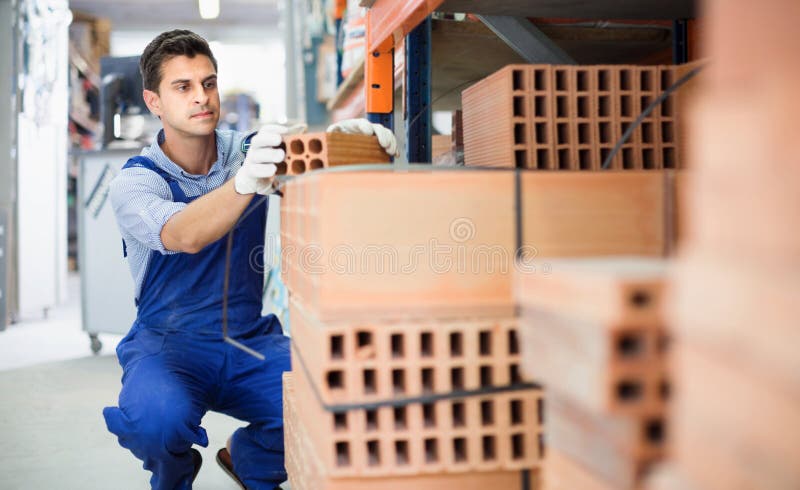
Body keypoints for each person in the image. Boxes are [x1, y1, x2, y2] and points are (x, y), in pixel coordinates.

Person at [102, 29, 398, 490]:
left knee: (338, 399)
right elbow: (183, 234)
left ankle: (251, 460)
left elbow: (306, 159)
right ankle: (175, 473)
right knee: (155, 421)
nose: (202, 97)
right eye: (183, 87)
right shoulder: (136, 184)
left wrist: (346, 146)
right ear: (153, 101)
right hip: (170, 347)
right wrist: (243, 183)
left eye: (209, 83)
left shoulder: (248, 150)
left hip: (245, 340)